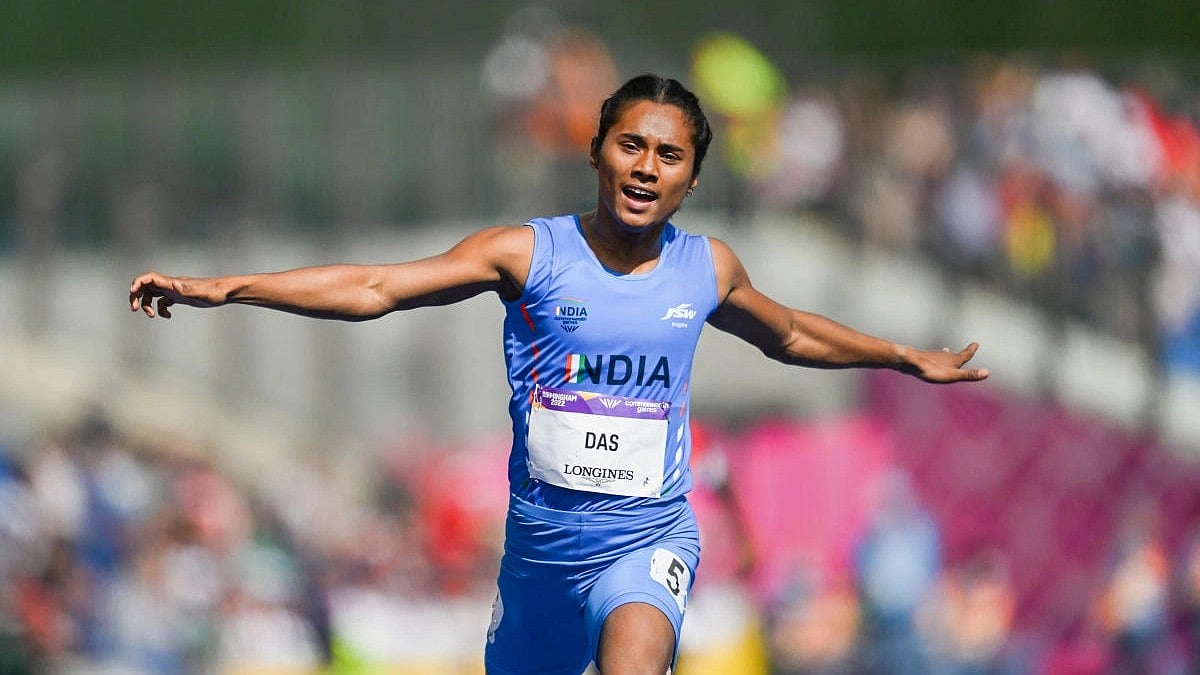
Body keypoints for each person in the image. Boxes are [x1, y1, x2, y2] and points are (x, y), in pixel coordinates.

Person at [129, 73, 989, 675]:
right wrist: (226, 287)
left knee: (636, 655)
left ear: (691, 179)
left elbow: (792, 333)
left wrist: (903, 354)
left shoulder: (707, 268)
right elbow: (376, 285)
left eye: (669, 155)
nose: (647, 166)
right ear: (597, 151)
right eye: (630, 145)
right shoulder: (527, 254)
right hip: (539, 555)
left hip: (646, 538)